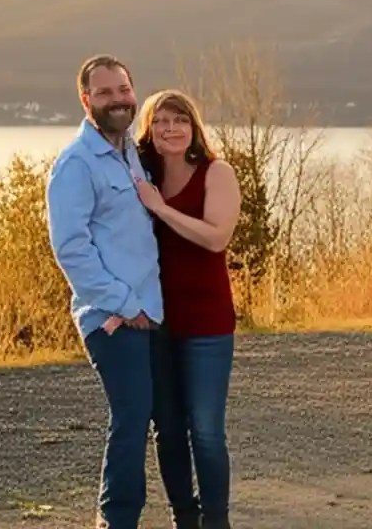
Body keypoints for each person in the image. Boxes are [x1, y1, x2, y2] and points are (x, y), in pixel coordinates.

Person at [45, 54, 164, 529]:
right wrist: (124, 304)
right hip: (113, 320)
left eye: (124, 91)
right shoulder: (75, 164)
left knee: (159, 420)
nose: (118, 100)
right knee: (132, 418)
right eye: (105, 93)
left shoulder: (131, 151)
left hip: (151, 313)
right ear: (86, 100)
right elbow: (71, 250)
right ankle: (116, 522)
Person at [132, 89, 241, 529]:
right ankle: (185, 518)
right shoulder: (141, 173)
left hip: (207, 323)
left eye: (180, 120)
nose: (171, 128)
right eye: (161, 121)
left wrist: (159, 208)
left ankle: (216, 521)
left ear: (194, 127)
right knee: (169, 430)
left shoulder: (217, 173)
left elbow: (217, 238)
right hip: (156, 321)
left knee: (207, 431)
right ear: (150, 130)